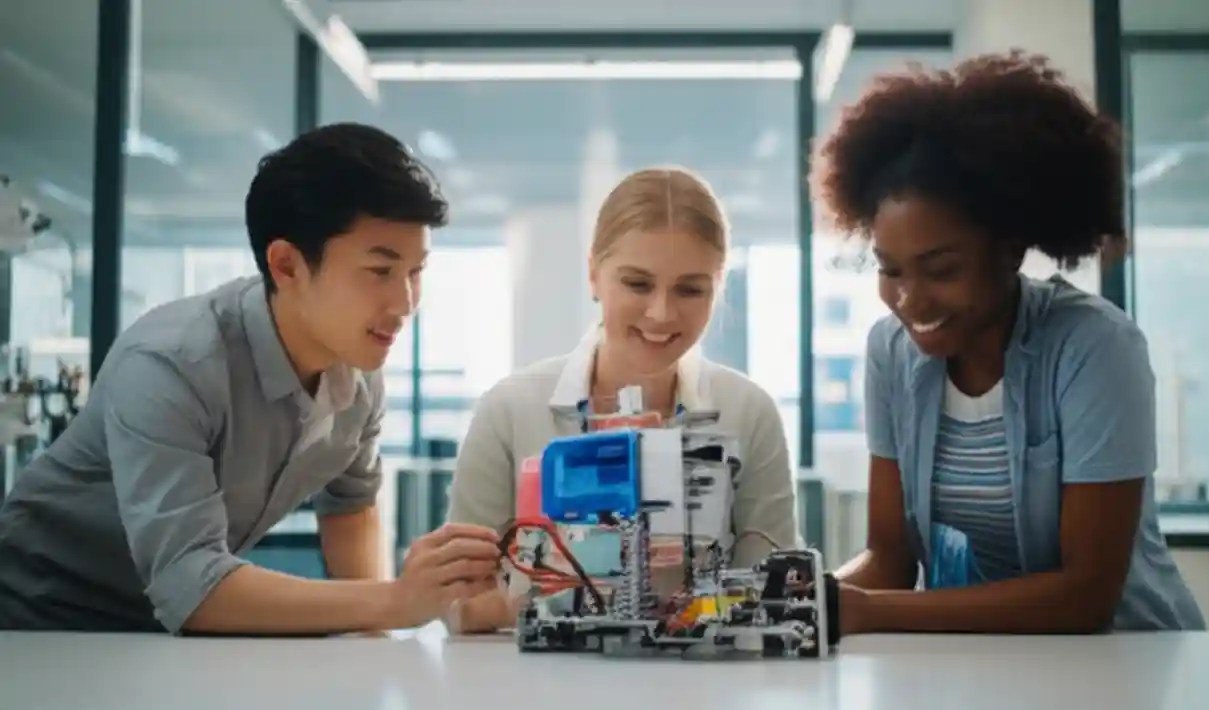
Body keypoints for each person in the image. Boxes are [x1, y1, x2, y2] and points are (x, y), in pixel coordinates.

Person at [0, 123, 501, 635]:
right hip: (34, 619)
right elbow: (193, 589)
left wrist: (372, 640)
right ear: (285, 265)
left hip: (159, 631)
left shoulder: (358, 374)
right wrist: (394, 602)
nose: (405, 304)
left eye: (416, 272)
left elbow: (350, 507)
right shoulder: (172, 364)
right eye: (380, 271)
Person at [811, 51, 1205, 633]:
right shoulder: (889, 352)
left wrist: (866, 612)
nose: (910, 301)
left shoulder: (1094, 347)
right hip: (988, 665)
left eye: (941, 270)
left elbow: (1086, 595)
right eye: (891, 270)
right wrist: (799, 603)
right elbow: (890, 559)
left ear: (1011, 250)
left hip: (1127, 664)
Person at [446, 166, 800, 632]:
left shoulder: (748, 412)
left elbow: (775, 592)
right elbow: (458, 602)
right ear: (593, 273)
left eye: (690, 289)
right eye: (637, 284)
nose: (661, 313)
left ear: (720, 287)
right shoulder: (510, 410)